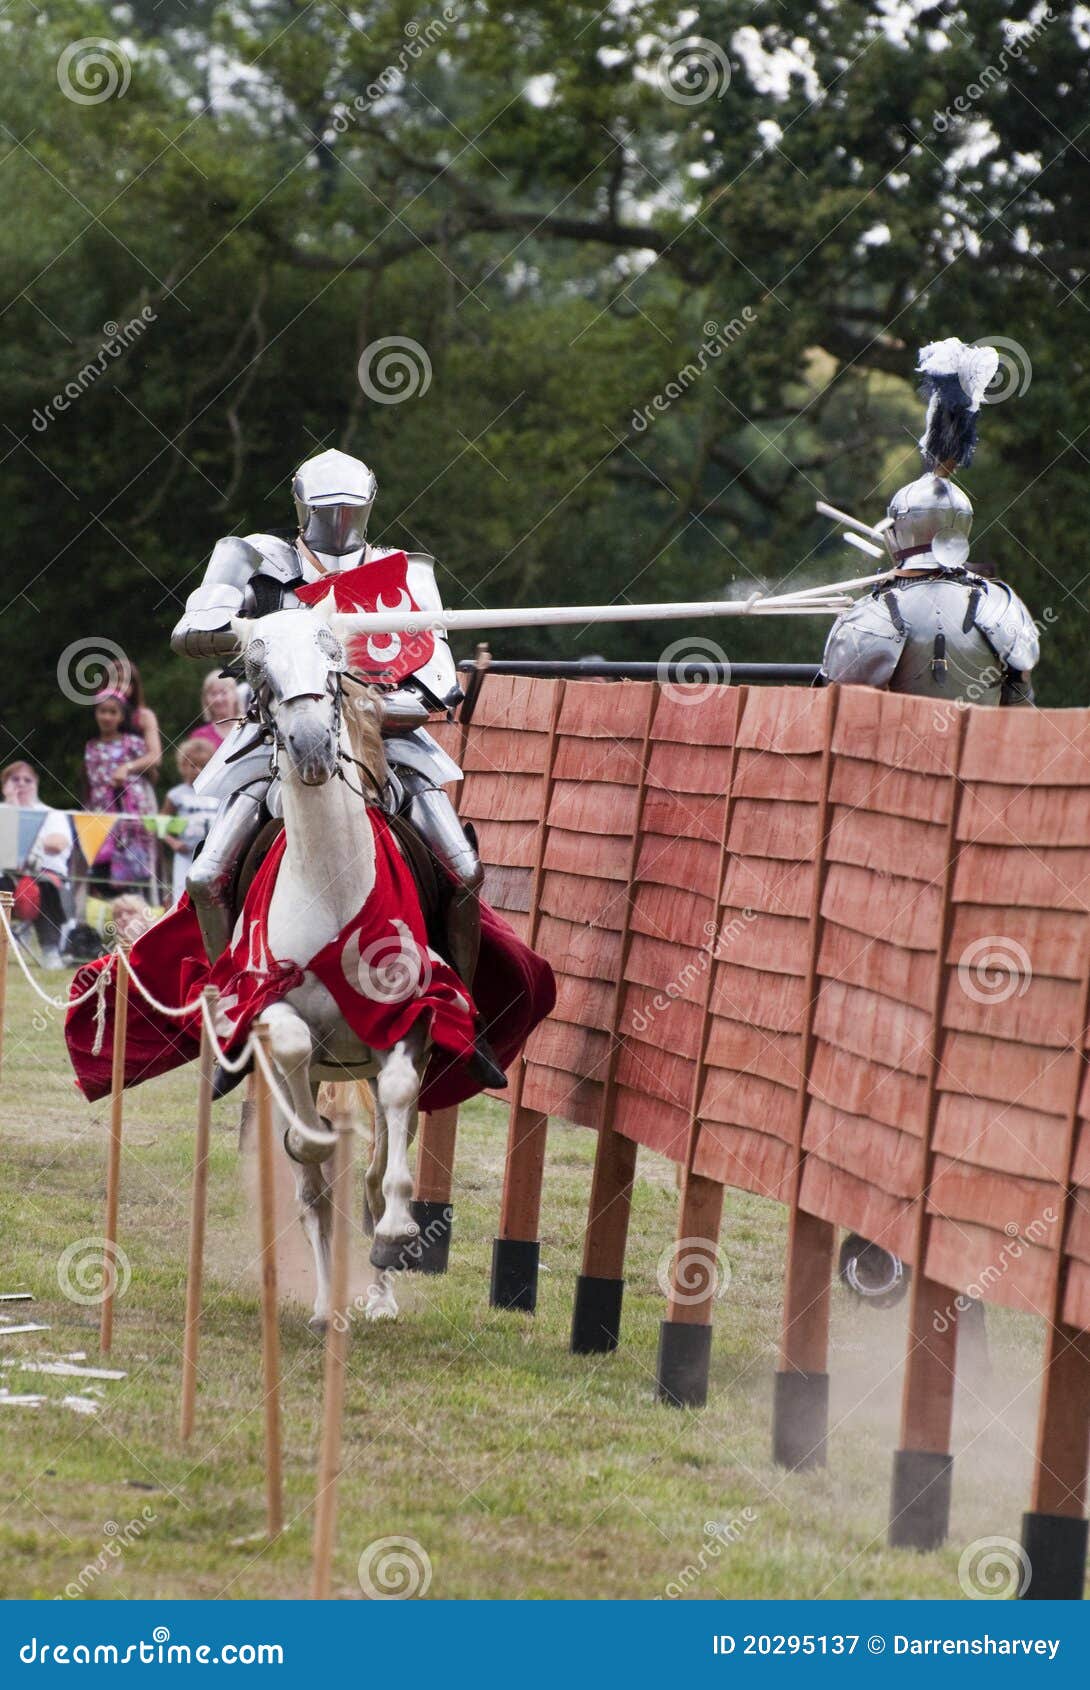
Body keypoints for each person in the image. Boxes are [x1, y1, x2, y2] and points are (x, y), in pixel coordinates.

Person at [170, 446, 504, 1088]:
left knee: (463, 870)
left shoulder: (402, 572)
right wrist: (222, 625)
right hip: (274, 741)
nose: (341, 524)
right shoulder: (255, 557)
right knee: (208, 875)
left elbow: (435, 672)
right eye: (328, 512)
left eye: (351, 511)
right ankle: (235, 1022)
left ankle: (460, 1017)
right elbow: (194, 625)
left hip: (383, 743)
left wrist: (377, 702)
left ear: (369, 507)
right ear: (302, 508)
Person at [820, 338, 1038, 702]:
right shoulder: (999, 605)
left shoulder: (875, 612)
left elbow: (834, 710)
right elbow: (1018, 707)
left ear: (898, 531)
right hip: (981, 757)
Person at [84, 690, 159, 894]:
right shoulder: (91, 746)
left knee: (131, 871)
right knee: (101, 870)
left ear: (121, 716)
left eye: (112, 712)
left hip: (129, 816)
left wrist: (127, 769)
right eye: (102, 711)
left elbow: (152, 764)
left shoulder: (132, 743)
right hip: (102, 815)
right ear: (96, 713)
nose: (107, 717)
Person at [0, 760, 72, 967]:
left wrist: (26, 841)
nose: (21, 784)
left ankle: (50, 950)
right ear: (5, 784)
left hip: (42, 876)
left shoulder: (51, 814)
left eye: (27, 780)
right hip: (6, 879)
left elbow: (58, 843)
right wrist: (12, 809)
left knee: (46, 886)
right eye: (15, 780)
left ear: (36, 784)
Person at [161, 737, 219, 903]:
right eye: (193, 765)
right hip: (186, 852)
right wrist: (172, 842)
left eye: (203, 766)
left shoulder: (217, 793)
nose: (198, 770)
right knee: (181, 889)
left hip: (212, 852)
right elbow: (161, 823)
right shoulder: (177, 795)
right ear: (183, 766)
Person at [104, 658, 163, 782]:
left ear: (134, 687)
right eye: (115, 680)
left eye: (126, 682)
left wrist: (127, 768)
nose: (119, 686)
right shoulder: (98, 715)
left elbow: (155, 756)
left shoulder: (143, 716)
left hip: (136, 783)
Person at [189, 670, 241, 751]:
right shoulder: (199, 737)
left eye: (224, 692)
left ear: (235, 695)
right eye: (213, 694)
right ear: (205, 699)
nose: (218, 699)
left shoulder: (250, 727)